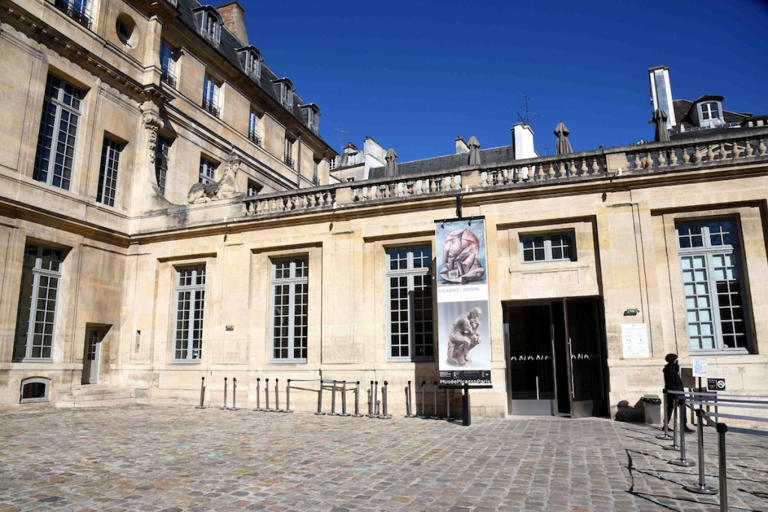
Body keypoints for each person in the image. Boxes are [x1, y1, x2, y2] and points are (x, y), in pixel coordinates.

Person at [663, 353, 693, 432]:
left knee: (670, 408)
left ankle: (666, 425)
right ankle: (683, 426)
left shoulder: (671, 368)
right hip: (676, 392)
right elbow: (673, 382)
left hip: (673, 391)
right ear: (674, 360)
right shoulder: (671, 369)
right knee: (681, 408)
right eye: (676, 359)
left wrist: (676, 366)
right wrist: (677, 393)